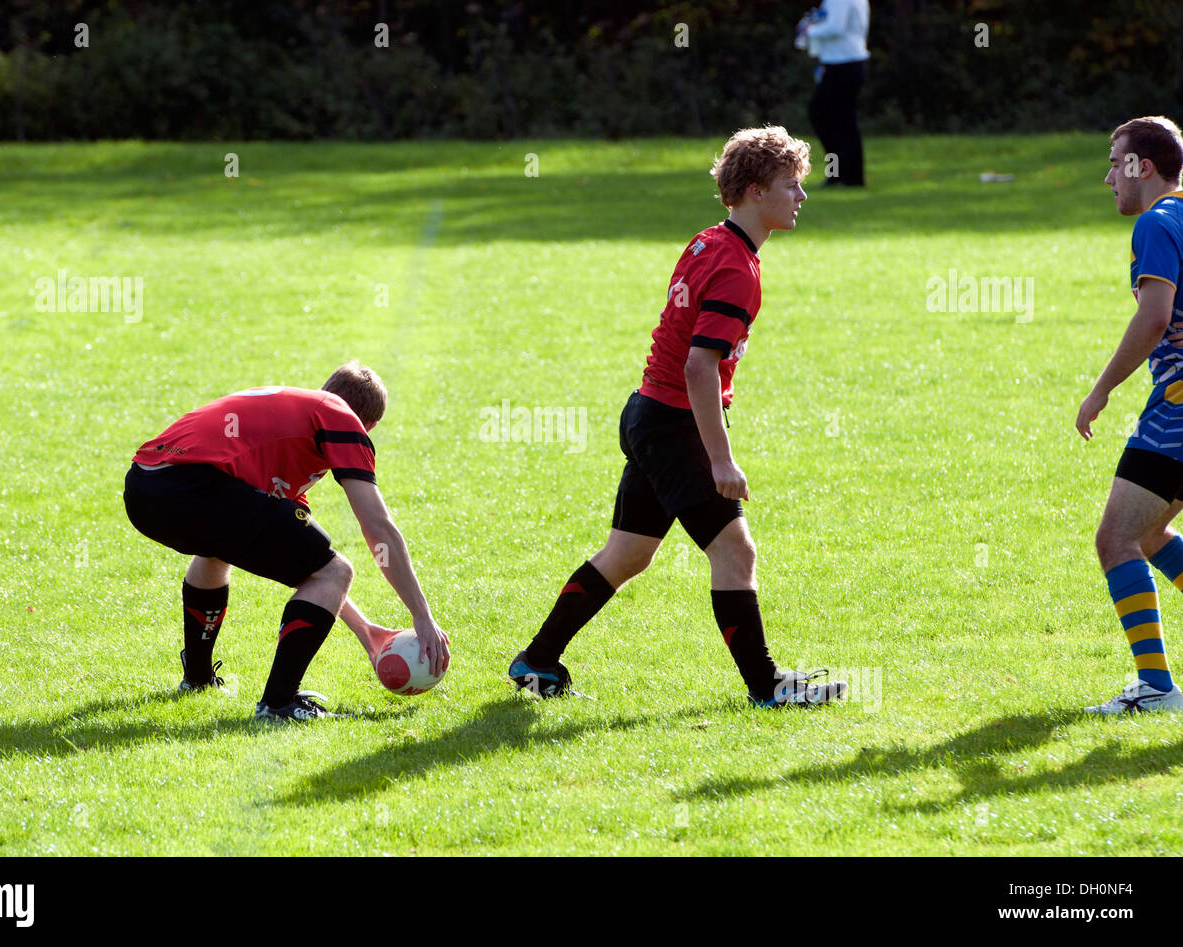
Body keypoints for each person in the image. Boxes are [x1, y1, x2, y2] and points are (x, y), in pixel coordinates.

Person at [508, 127, 847, 707]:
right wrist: (720, 459)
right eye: (792, 185)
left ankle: (537, 661)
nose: (802, 196)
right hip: (673, 424)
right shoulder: (737, 268)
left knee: (628, 554)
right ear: (756, 190)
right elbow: (699, 368)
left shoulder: (709, 242)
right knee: (736, 552)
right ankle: (767, 688)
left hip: (648, 415)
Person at [123, 363, 450, 722]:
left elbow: (307, 567)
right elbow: (377, 527)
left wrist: (367, 633)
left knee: (221, 550)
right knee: (336, 571)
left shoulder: (293, 417)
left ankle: (198, 678)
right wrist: (422, 615)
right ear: (368, 426)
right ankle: (278, 704)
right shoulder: (339, 417)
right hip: (192, 486)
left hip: (144, 487)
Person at [1077, 116, 1183, 715]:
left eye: (1116, 162)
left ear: (1142, 166)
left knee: (1117, 538)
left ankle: (1156, 688)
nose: (1109, 176)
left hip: (1176, 416)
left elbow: (1154, 316)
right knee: (1148, 534)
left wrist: (1101, 389)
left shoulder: (1157, 221)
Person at [799, 0, 869, 187]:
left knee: (835, 120)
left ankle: (849, 176)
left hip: (843, 65)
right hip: (840, 64)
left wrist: (809, 30)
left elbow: (835, 28)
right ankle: (839, 173)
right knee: (831, 119)